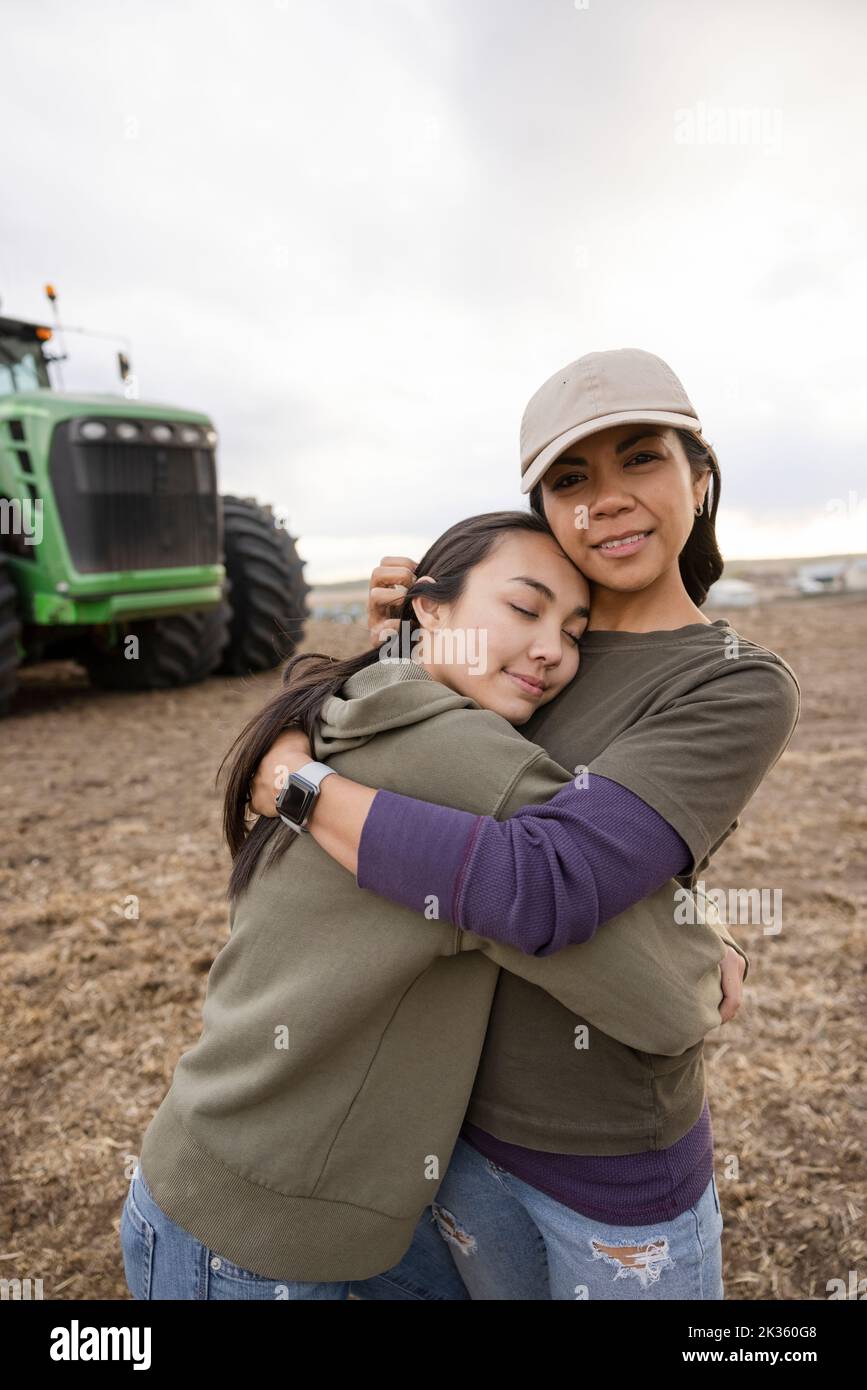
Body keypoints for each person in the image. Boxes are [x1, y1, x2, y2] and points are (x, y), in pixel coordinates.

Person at [251, 348, 800, 1299]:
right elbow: (405, 756)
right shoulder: (519, 645)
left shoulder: (731, 680)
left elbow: (546, 881)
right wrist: (388, 658)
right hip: (446, 1122)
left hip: (607, 1151)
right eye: (569, 479)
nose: (606, 499)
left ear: (698, 481)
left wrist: (298, 787)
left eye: (640, 459)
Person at [120, 509, 743, 1300]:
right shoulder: (466, 759)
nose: (552, 648)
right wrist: (701, 939)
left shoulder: (354, 698)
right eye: (523, 609)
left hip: (213, 1180)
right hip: (252, 1240)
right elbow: (665, 999)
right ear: (429, 605)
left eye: (574, 629)